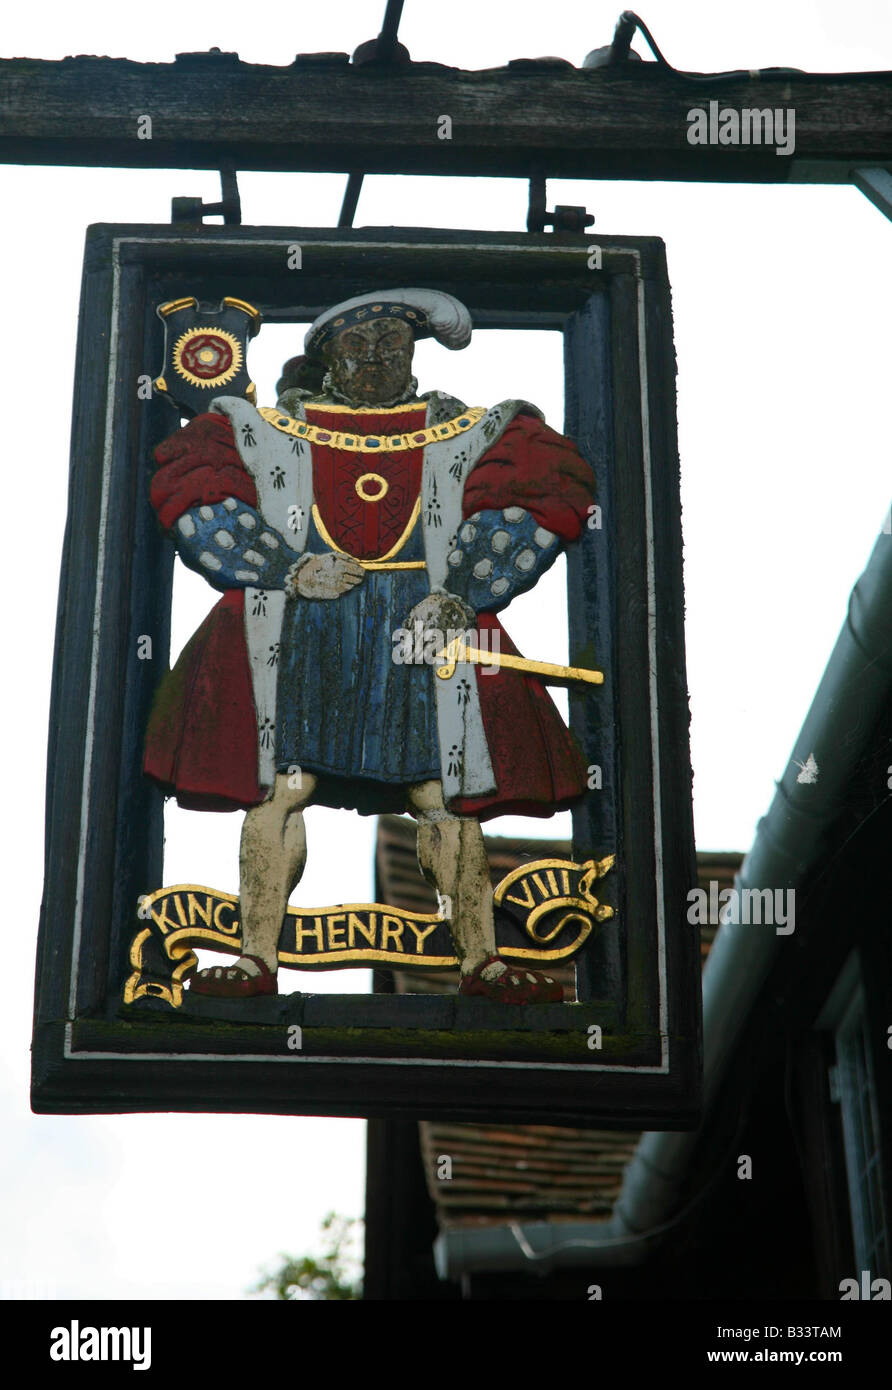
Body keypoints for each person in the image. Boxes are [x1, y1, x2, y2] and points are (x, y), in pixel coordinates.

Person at [144, 289, 596, 1003]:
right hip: (303, 625)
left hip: (422, 624)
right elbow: (199, 493)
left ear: (416, 351)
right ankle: (257, 956)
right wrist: (285, 569)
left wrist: (464, 591)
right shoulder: (259, 429)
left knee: (443, 795)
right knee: (281, 788)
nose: (377, 357)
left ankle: (482, 961)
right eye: (358, 344)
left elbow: (536, 494)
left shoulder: (476, 430)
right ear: (327, 356)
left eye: (393, 342)